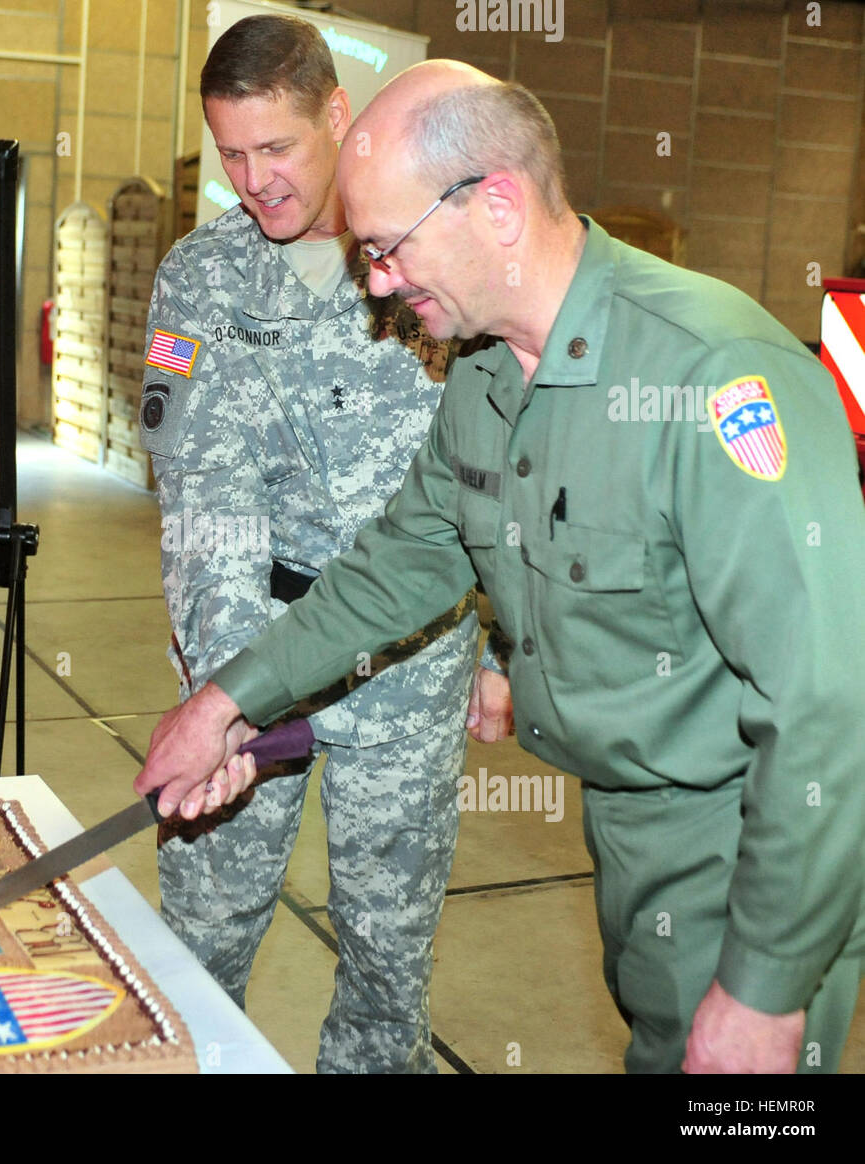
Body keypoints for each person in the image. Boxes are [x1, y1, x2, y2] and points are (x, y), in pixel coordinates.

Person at [136, 59, 865, 1074]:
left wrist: (767, 985)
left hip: (749, 848)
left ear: (498, 207)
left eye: (388, 248)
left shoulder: (714, 380)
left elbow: (829, 707)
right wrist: (223, 703)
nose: (378, 283)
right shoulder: (485, 373)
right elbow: (401, 562)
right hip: (628, 832)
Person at [137, 17, 511, 1074]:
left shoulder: (426, 259)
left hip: (412, 667)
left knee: (386, 967)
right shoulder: (198, 280)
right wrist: (226, 700)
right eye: (232, 155)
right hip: (248, 639)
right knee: (196, 947)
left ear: (337, 115)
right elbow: (203, 499)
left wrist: (497, 650)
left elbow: (488, 470)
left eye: (278, 149)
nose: (254, 181)